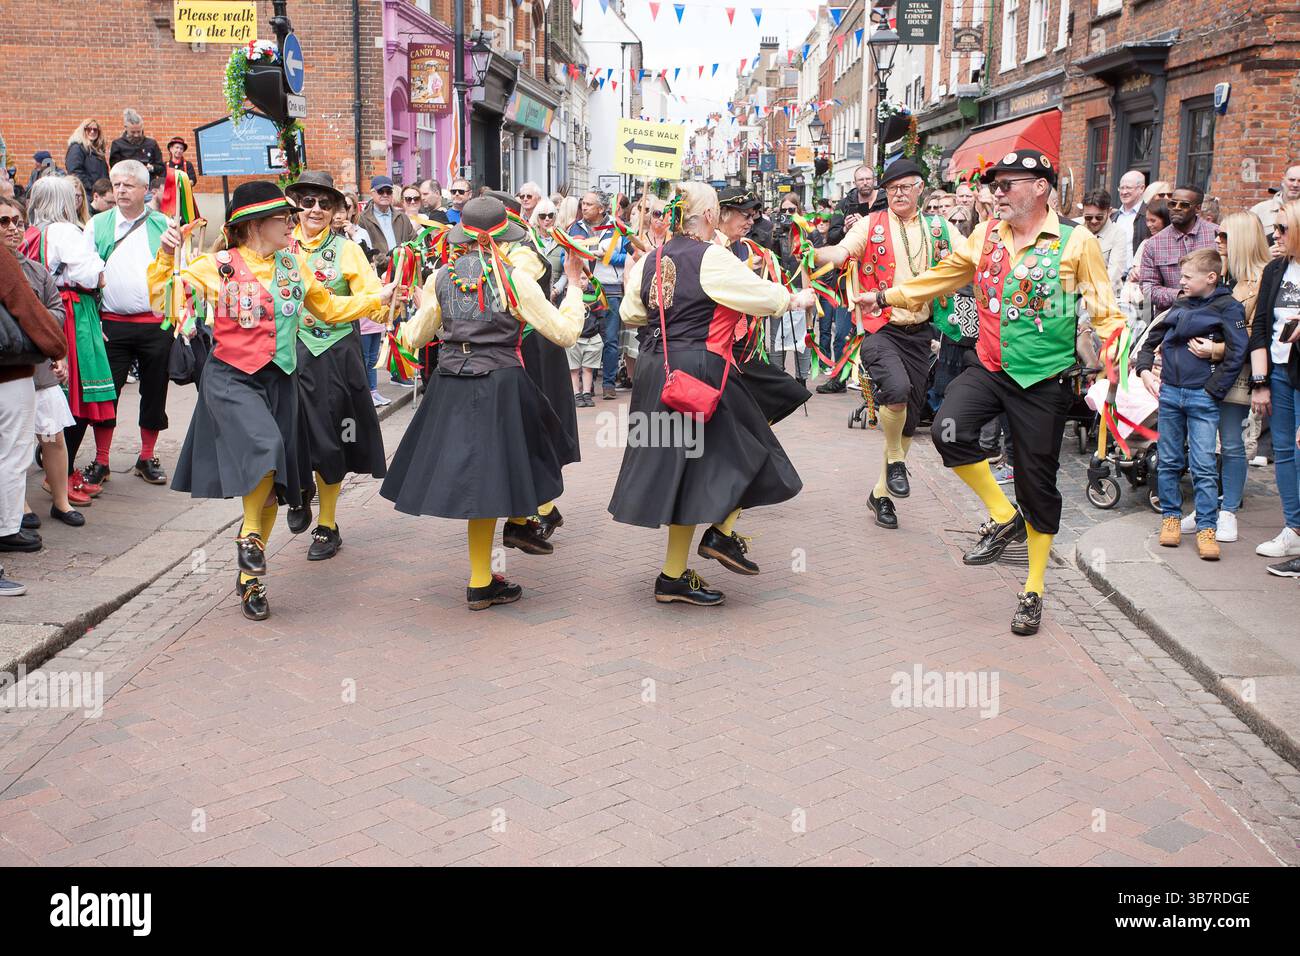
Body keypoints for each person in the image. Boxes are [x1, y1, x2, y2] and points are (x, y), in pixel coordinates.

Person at [872, 149, 1126, 635]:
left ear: (1041, 188)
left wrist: (1116, 352)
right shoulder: (986, 234)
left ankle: (1032, 588)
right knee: (948, 431)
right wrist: (887, 296)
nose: (998, 192)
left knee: (1038, 484)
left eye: (1009, 184)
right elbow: (941, 277)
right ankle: (1003, 515)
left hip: (1043, 381)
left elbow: (1104, 309)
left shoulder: (1076, 243)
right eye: (996, 184)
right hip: (989, 366)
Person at [147, 181, 403, 620]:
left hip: (281, 380)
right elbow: (165, 301)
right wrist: (164, 259)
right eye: (284, 217)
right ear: (254, 226)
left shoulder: (293, 264)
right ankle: (249, 540)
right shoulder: (219, 265)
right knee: (266, 450)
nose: (294, 222)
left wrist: (375, 298)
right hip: (232, 380)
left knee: (273, 487)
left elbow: (328, 308)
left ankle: (250, 581)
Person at [608, 182, 816, 605]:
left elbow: (631, 313)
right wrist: (796, 298)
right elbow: (759, 297)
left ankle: (674, 575)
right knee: (755, 450)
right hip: (699, 371)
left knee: (684, 470)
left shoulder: (652, 256)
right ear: (706, 218)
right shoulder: (712, 257)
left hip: (655, 369)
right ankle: (719, 536)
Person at [380, 195, 587, 609]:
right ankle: (508, 544)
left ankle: (482, 577)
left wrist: (407, 317)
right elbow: (563, 334)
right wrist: (577, 292)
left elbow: (414, 339)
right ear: (504, 236)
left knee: (478, 480)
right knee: (509, 468)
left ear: (463, 238)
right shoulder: (514, 278)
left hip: (451, 384)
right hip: (501, 384)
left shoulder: (441, 277)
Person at [814, 159, 961, 531]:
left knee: (911, 418)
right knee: (894, 388)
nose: (897, 193)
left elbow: (968, 256)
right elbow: (843, 251)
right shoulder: (870, 224)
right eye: (891, 187)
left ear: (920, 190)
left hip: (920, 332)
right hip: (879, 328)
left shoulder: (938, 228)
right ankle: (896, 461)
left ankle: (880, 493)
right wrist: (819, 254)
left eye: (905, 186)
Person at [281, 170, 389, 560]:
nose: (316, 209)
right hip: (287, 352)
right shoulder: (280, 247)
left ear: (335, 211)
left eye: (324, 203)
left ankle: (327, 523)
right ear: (295, 205)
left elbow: (373, 298)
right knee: (288, 431)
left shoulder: (347, 250)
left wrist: (379, 298)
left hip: (333, 354)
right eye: (308, 201)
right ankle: (298, 492)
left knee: (330, 439)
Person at [1136, 247, 1247, 560]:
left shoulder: (1228, 307)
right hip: (1170, 392)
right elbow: (1151, 337)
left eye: (1187, 276)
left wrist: (1214, 389)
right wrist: (1144, 369)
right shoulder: (1181, 303)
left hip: (1202, 396)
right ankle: (1170, 518)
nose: (1180, 281)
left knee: (1203, 465)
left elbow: (1238, 351)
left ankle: (1206, 528)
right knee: (1169, 460)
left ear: (1210, 278)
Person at [1177, 213, 1274, 543]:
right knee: (1203, 442)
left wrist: (1216, 349)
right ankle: (1206, 508)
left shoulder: (1261, 281)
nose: (1218, 241)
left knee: (1231, 442)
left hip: (1237, 373)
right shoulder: (1225, 278)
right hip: (1204, 373)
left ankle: (1229, 509)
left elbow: (1255, 335)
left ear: (1243, 239)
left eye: (1225, 236)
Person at [76, 159, 172, 489]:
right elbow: (83, 274)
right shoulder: (97, 225)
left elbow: (179, 272)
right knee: (106, 393)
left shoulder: (163, 225)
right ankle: (101, 460)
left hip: (156, 324)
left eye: (129, 184)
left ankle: (147, 456)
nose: (121, 190)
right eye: (116, 184)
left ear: (146, 191)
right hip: (110, 324)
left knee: (155, 391)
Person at [19, 177, 115, 502]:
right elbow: (92, 275)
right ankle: (61, 474)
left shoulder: (31, 233)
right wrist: (99, 274)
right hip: (72, 312)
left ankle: (62, 470)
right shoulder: (66, 231)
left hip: (43, 310)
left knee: (60, 396)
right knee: (80, 396)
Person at [1, 198, 84, 528]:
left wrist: (47, 340)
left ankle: (60, 501)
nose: (12, 228)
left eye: (17, 222)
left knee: (52, 436)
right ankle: (18, 508)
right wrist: (32, 326)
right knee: (12, 445)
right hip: (10, 369)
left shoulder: (35, 270)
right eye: (4, 221)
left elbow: (55, 310)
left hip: (38, 365)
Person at [0, 244, 67, 571]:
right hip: (7, 373)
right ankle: (7, 527)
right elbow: (25, 305)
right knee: (13, 452)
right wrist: (56, 346)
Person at [719, 188, 811, 424]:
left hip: (744, 341)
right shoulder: (710, 248)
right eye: (745, 215)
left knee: (782, 393)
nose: (751, 221)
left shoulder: (749, 246)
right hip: (718, 343)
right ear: (724, 214)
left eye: (753, 216)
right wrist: (794, 301)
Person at [1246, 201, 1300, 574]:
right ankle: (1293, 526)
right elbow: (1261, 326)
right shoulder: (1277, 268)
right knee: (1282, 450)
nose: (1275, 235)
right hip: (1278, 372)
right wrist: (1260, 382)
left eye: (1282, 228)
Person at [569, 191, 628, 400]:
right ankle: (587, 386)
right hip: (584, 289)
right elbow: (564, 254)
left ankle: (609, 384)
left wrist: (608, 256)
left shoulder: (618, 228)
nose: (584, 207)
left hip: (610, 289)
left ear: (601, 209)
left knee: (609, 339)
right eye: (583, 203)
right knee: (585, 337)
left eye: (589, 204)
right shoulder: (575, 227)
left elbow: (630, 257)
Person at [1140, 184, 1218, 314]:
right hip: (1171, 319)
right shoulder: (1154, 244)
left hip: (1213, 315)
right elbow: (1148, 287)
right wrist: (1181, 296)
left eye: (1184, 205)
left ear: (1198, 208)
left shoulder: (1216, 235)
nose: (1176, 208)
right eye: (1172, 204)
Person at [358, 175, 415, 273]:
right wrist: (389, 262)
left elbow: (414, 242)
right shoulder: (362, 219)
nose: (385, 195)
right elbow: (364, 249)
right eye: (381, 191)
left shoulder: (402, 218)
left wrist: (405, 259)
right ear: (372, 193)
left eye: (389, 191)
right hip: (377, 273)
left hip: (403, 271)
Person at [1080, 189, 1127, 294]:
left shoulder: (1118, 234)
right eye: (1088, 217)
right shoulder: (1075, 227)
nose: (1093, 221)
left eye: (1099, 217)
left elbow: (1114, 273)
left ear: (1109, 211)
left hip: (1104, 296)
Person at [827, 164, 886, 245]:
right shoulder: (844, 204)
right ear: (854, 183)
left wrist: (865, 226)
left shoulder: (887, 201)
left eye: (868, 179)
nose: (865, 183)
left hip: (881, 252)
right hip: (854, 254)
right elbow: (831, 239)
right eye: (861, 180)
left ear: (874, 180)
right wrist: (845, 229)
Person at [108, 109, 164, 183]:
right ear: (126, 128)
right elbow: (115, 169)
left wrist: (151, 168)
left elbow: (161, 168)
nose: (136, 135)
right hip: (127, 185)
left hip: (148, 187)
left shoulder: (152, 144)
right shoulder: (117, 144)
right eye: (133, 132)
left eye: (139, 131)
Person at [1250, 165, 1300, 242]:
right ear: (1283, 181)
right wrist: (1266, 253)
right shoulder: (1259, 210)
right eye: (1292, 180)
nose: (1295, 184)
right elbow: (1246, 243)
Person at [65, 119, 109, 195]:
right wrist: (91, 188)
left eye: (95, 130)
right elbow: (75, 172)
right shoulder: (77, 148)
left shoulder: (97, 150)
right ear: (83, 130)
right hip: (87, 194)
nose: (92, 132)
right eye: (89, 129)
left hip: (101, 194)